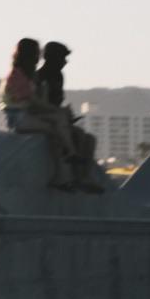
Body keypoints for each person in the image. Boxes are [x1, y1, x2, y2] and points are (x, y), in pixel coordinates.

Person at [0, 37, 87, 191]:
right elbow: (33, 102)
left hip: (26, 116)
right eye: (36, 53)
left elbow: (38, 102)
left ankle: (65, 167)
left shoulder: (29, 76)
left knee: (58, 123)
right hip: (18, 119)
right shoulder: (17, 76)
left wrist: (57, 110)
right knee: (56, 129)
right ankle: (68, 158)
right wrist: (56, 110)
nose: (39, 56)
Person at [35, 42, 107, 192]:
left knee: (90, 140)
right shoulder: (39, 78)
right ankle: (75, 178)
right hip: (46, 121)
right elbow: (39, 105)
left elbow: (56, 101)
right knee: (79, 136)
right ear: (52, 58)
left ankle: (84, 177)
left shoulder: (58, 76)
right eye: (62, 58)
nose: (65, 62)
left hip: (58, 119)